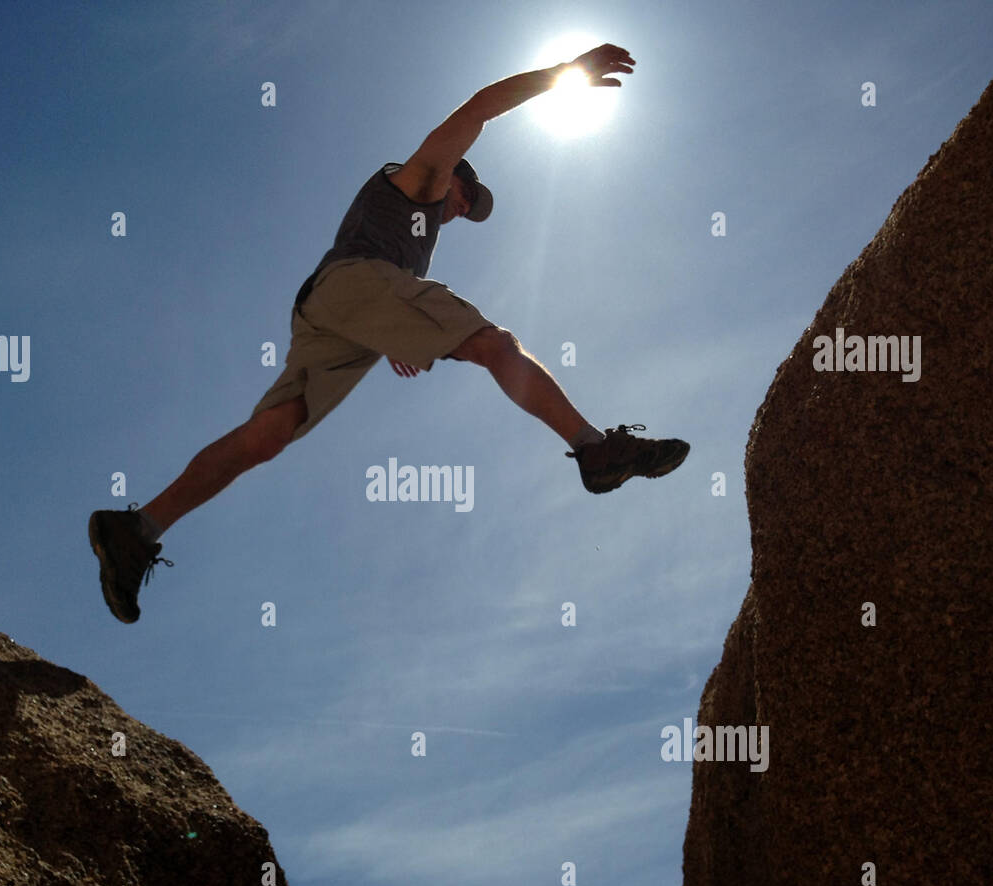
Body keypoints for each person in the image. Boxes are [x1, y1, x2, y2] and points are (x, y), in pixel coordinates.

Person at [90, 42, 689, 623]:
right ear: (451, 175)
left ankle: (137, 529)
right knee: (495, 345)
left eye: (469, 205)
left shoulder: (417, 245)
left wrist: (396, 339)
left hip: (329, 313)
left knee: (269, 434)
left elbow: (388, 300)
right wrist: (567, 72)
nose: (462, 208)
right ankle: (593, 449)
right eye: (466, 195)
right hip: (350, 284)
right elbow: (479, 107)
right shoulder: (422, 178)